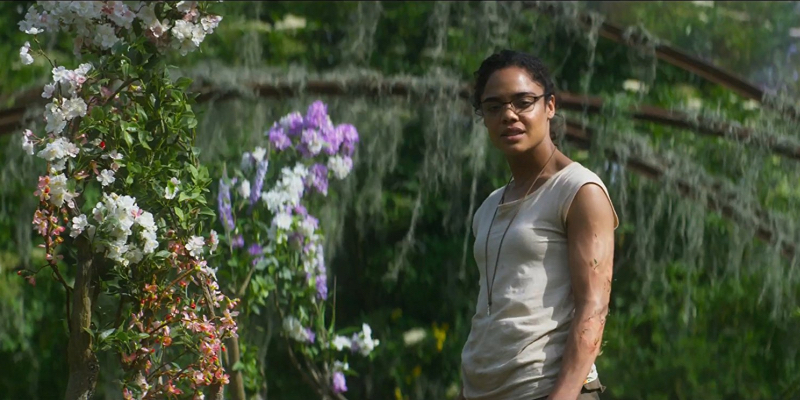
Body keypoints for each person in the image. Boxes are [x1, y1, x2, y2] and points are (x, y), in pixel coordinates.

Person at [458, 50, 619, 400]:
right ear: (483, 117)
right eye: (494, 106)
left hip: (546, 389)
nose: (509, 115)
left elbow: (594, 306)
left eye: (523, 102)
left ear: (550, 106)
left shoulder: (579, 190)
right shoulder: (488, 208)